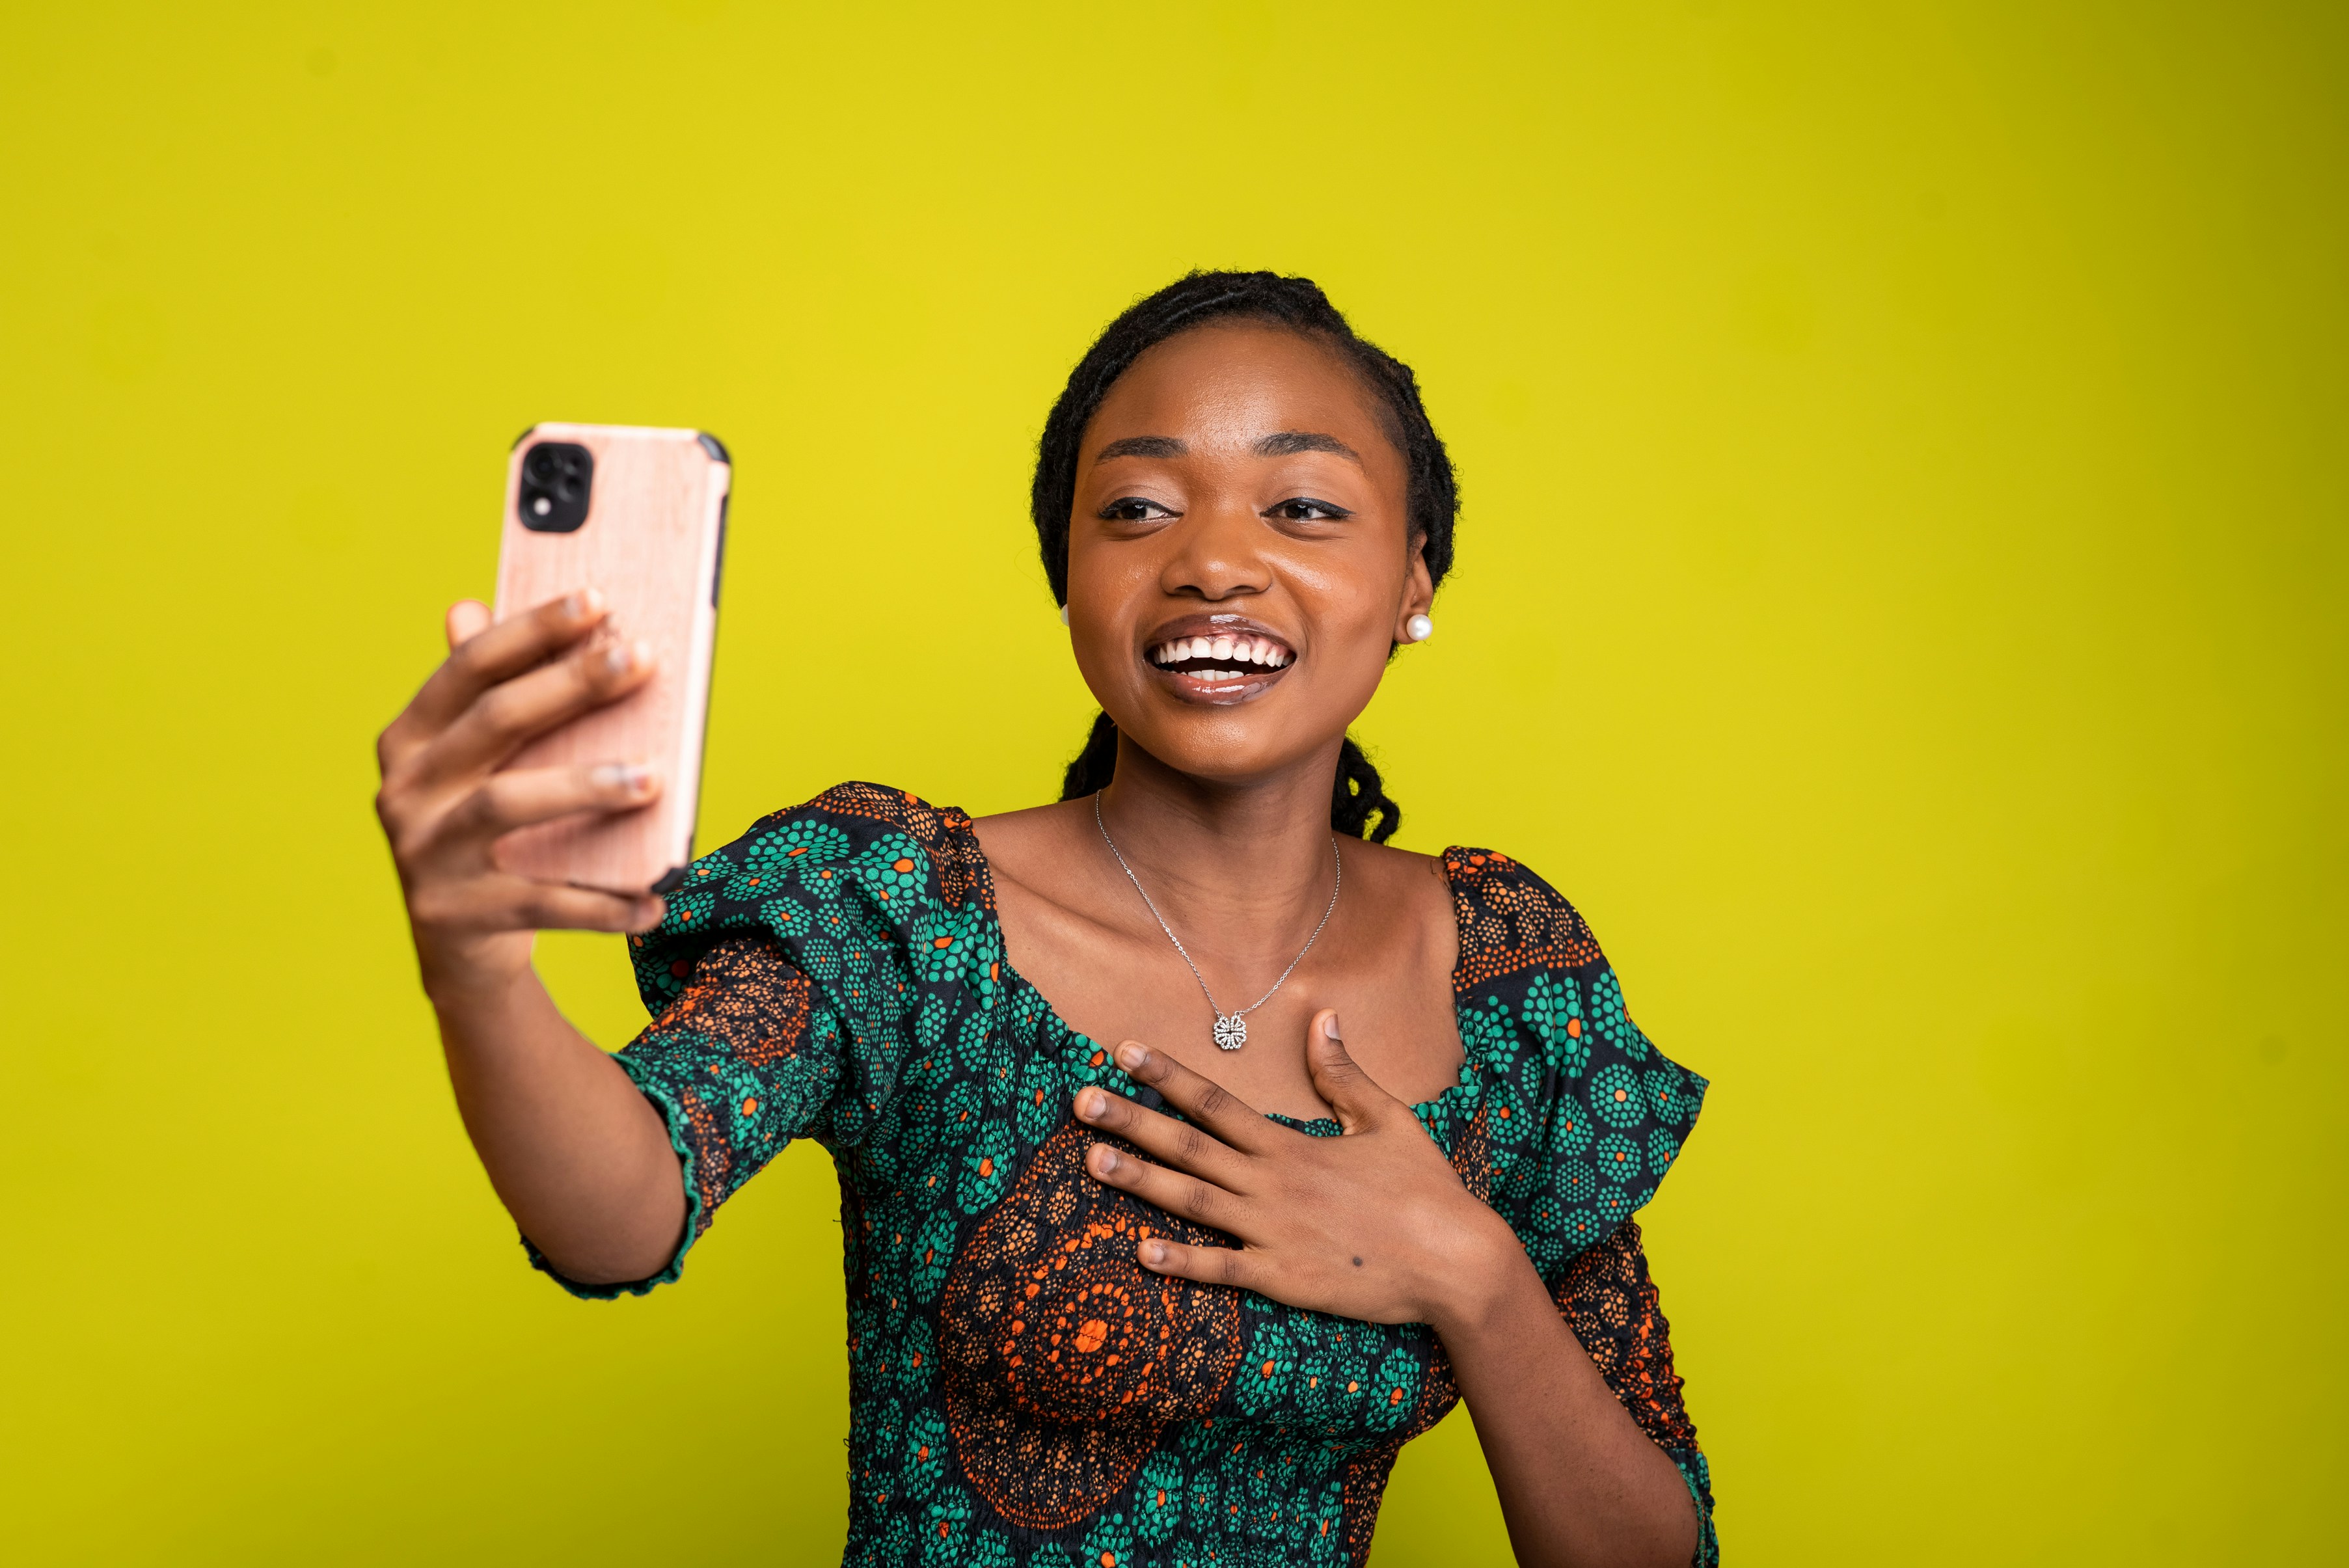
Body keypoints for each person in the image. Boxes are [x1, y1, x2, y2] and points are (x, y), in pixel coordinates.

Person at [374, 271, 1717, 1568]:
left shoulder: (1508, 978)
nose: (1210, 562)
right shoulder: (901, 908)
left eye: (1302, 505)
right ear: (1067, 576)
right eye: (1135, 508)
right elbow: (621, 1208)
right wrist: (476, 966)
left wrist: (1469, 1272)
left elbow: (1651, 1548)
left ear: (1413, 579)